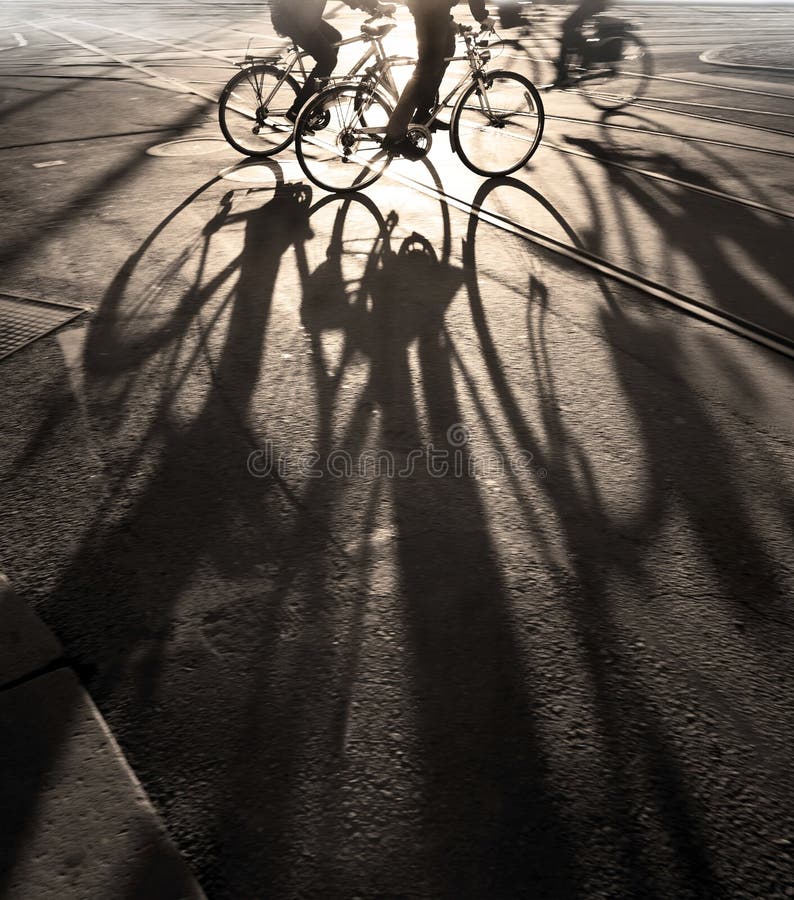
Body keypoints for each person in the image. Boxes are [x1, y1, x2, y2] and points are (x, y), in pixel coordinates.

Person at [383, 0, 495, 159]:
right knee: (426, 69)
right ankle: (395, 136)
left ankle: (423, 113)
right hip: (430, 10)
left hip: (434, 9)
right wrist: (481, 16)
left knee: (446, 53)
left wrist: (447, 19)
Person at [270, 0, 391, 121]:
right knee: (328, 61)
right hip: (294, 19)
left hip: (300, 16)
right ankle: (296, 111)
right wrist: (375, 5)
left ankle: (319, 92)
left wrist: (367, 7)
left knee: (335, 38)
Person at [554, 0, 608, 85]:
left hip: (594, 3)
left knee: (568, 26)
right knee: (570, 28)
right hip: (592, 3)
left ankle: (565, 69)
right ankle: (564, 68)